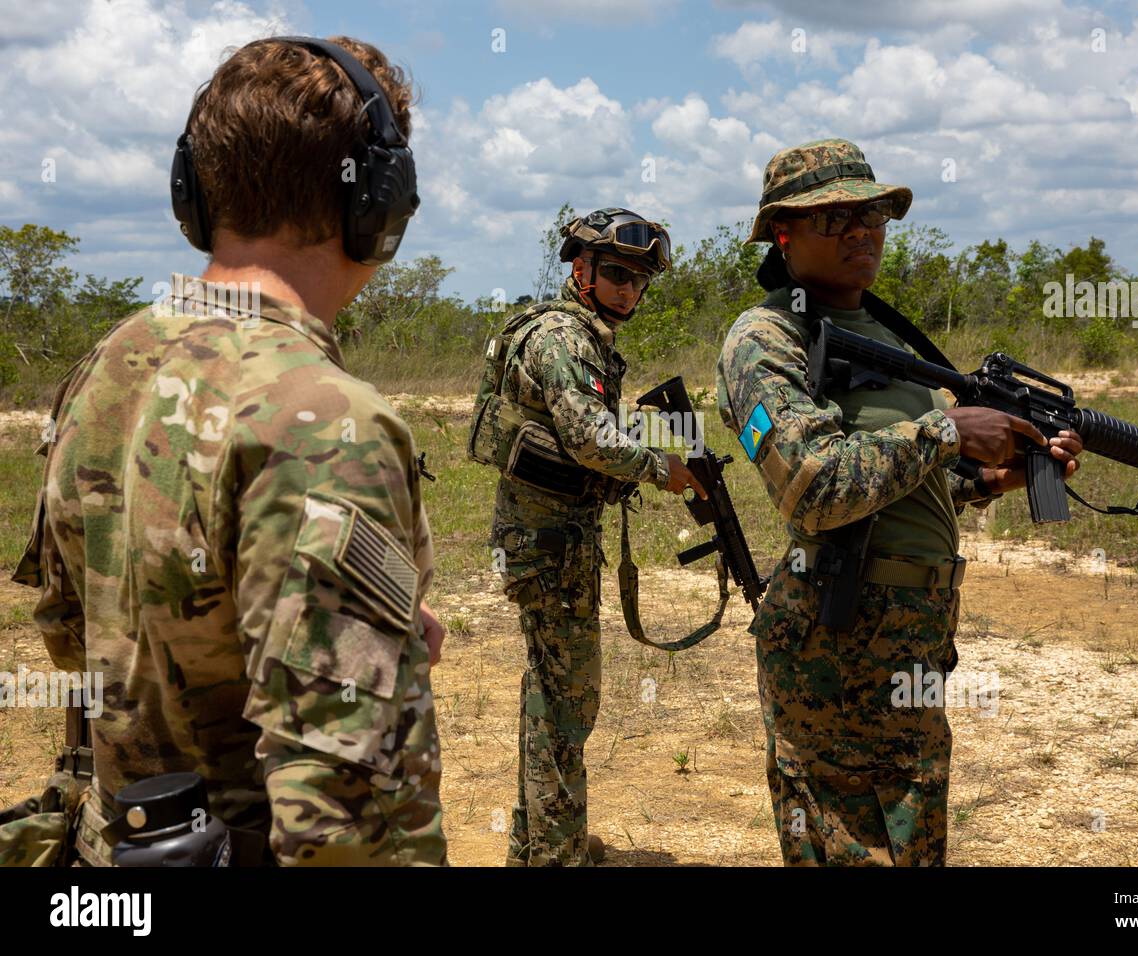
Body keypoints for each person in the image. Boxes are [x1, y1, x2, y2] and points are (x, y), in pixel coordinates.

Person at [13, 36, 448, 866]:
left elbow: (72, 629)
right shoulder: (327, 420)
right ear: (381, 203)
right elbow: (343, 813)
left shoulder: (108, 365)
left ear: (194, 193)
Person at [716, 139, 1083, 866]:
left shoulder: (882, 334)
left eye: (875, 214)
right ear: (782, 236)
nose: (862, 231)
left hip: (909, 638)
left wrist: (992, 478)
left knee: (913, 835)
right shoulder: (764, 339)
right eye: (837, 218)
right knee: (849, 843)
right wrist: (947, 431)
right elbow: (813, 486)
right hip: (835, 638)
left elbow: (900, 479)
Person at [468, 208, 705, 866]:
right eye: (619, 275)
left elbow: (592, 423)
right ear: (582, 269)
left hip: (552, 538)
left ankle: (537, 845)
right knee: (568, 703)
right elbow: (589, 438)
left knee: (551, 692)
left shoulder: (572, 334)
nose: (630, 290)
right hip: (549, 544)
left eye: (640, 281)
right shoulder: (564, 338)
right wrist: (664, 470)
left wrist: (664, 442)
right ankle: (556, 855)